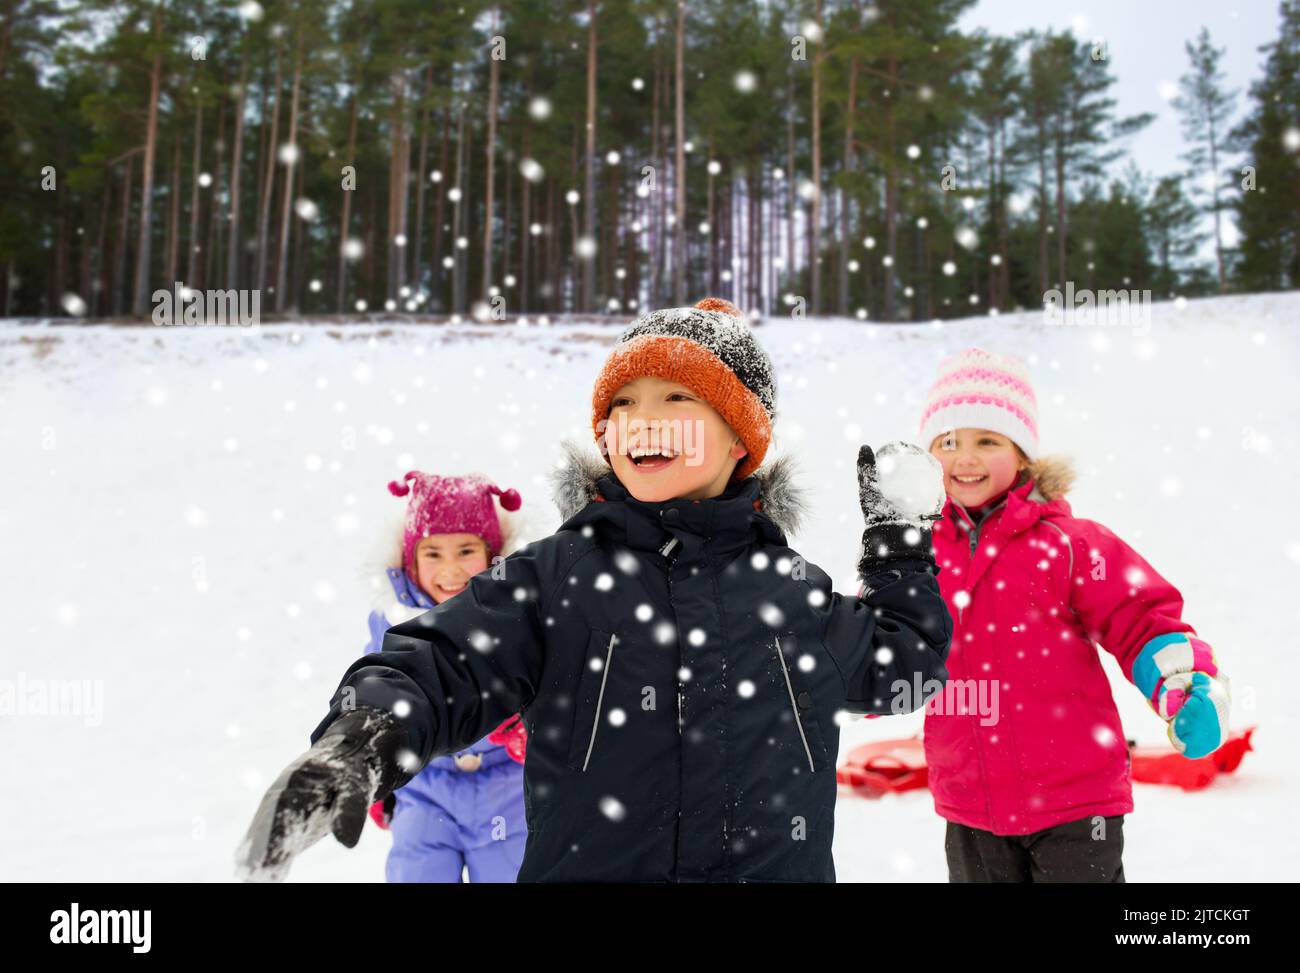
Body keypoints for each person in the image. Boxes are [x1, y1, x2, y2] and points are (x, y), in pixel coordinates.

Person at [236, 297, 953, 883]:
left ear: (741, 437)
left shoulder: (791, 594)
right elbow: (442, 661)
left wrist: (902, 547)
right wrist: (360, 739)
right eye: (625, 402)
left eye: (677, 397)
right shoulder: (561, 576)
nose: (644, 419)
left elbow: (904, 664)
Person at [917, 347, 1230, 883]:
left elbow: (1141, 618)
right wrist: (842, 672)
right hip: (971, 802)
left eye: (986, 441)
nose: (965, 458)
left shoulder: (1068, 544)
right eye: (949, 442)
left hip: (1076, 802)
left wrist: (1180, 681)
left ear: (1022, 454)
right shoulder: (916, 554)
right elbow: (887, 641)